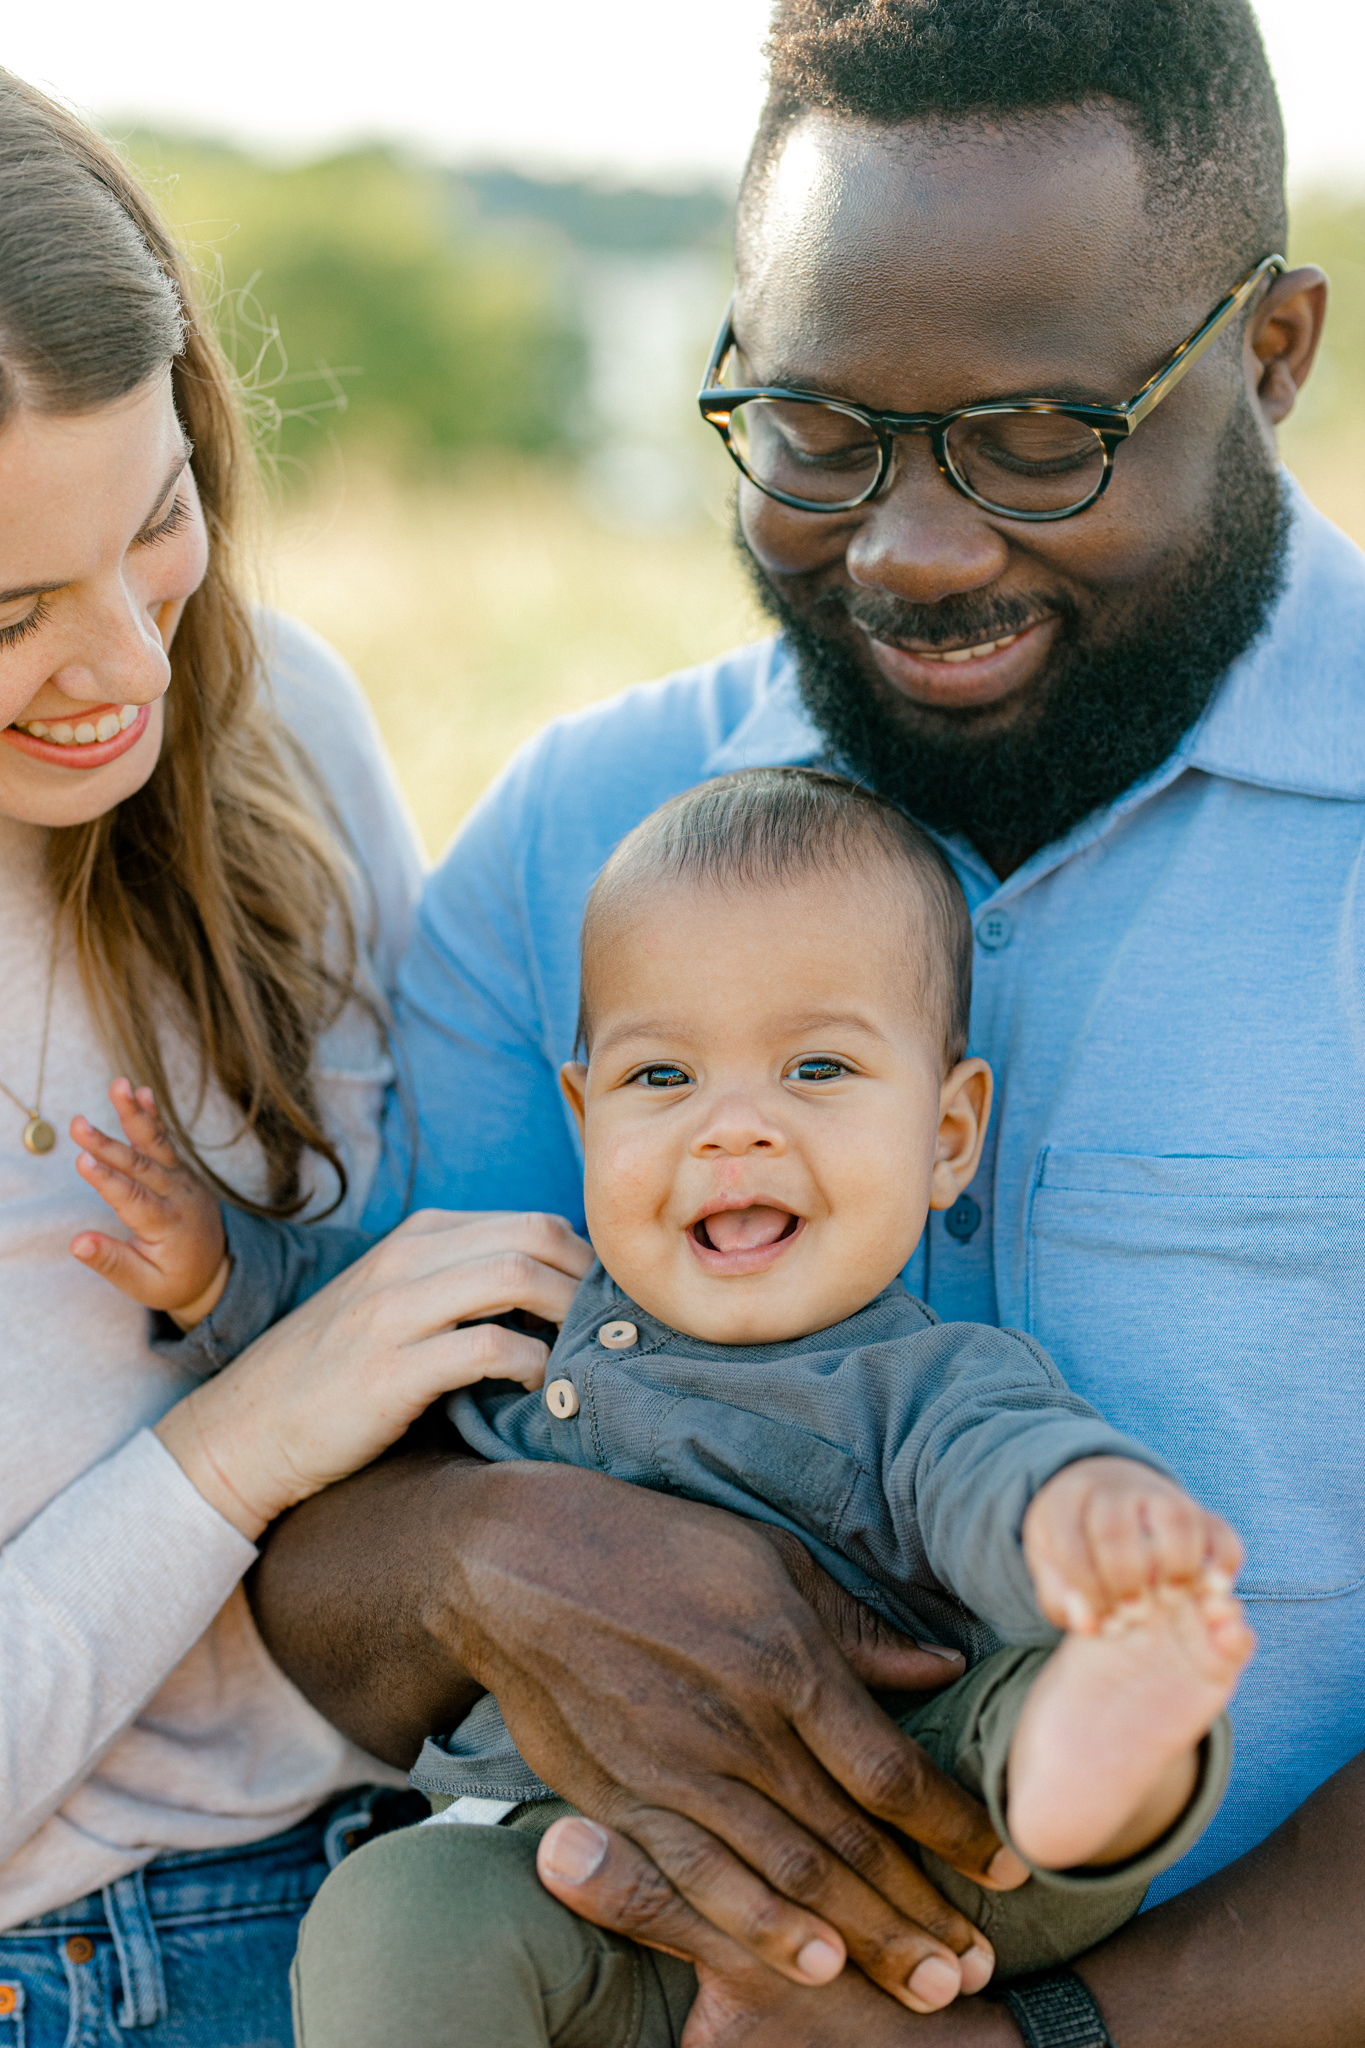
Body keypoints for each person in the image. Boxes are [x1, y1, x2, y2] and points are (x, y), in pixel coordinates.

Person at [245, 1, 1365, 2043]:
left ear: (1268, 355)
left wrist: (1035, 2042)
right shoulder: (578, 842)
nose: (910, 549)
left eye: (1041, 435)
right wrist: (481, 1550)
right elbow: (315, 1543)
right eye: (813, 433)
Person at [79, 767, 1254, 2042]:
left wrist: (1086, 1520)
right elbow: (339, 1330)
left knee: (1045, 1700)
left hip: (903, 1848)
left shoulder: (915, 1377)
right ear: (582, 1115)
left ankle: (1109, 1749)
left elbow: (1000, 1468)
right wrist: (216, 1273)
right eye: (661, 1078)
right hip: (560, 1867)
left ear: (947, 1133)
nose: (731, 1128)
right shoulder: (521, 1299)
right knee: (387, 1908)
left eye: (817, 1065)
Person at [0, 70, 596, 2047]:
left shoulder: (282, 732)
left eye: (155, 520)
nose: (129, 667)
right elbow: (316, 1394)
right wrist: (253, 1422)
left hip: (370, 1886)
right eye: (10, 612)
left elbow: (423, 1319)